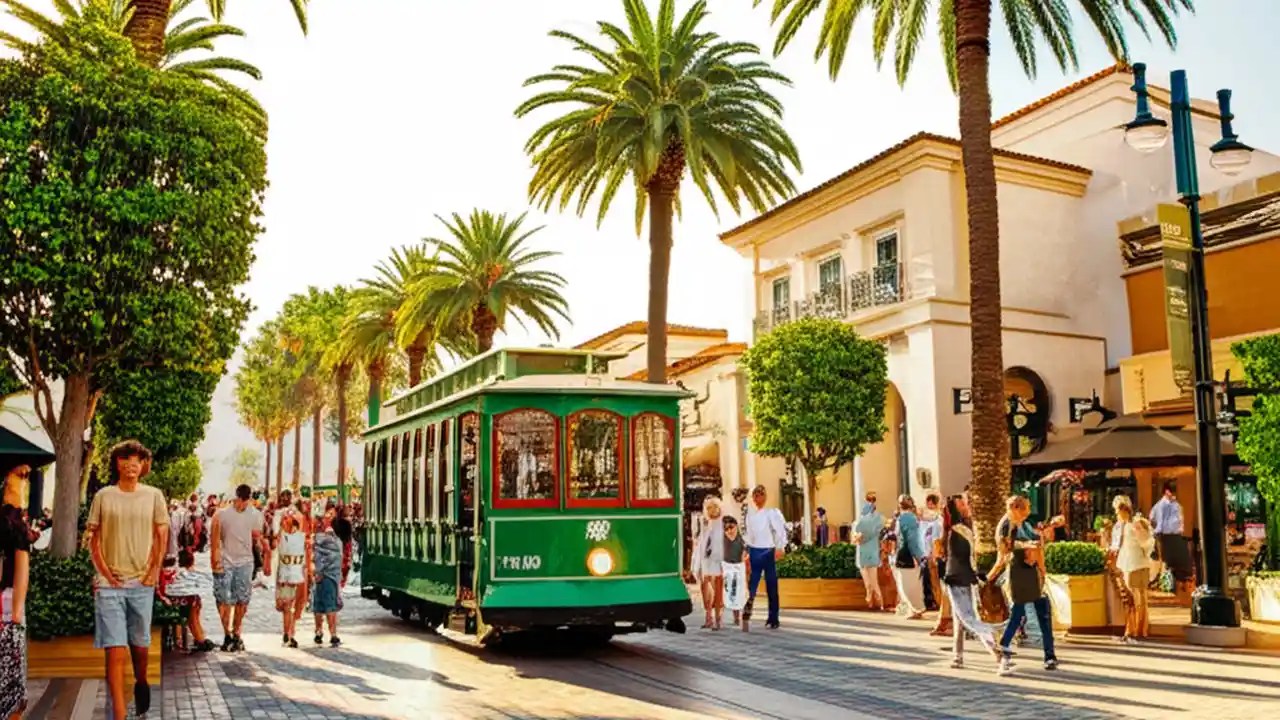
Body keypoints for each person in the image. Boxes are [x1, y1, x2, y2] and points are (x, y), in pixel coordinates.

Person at [87, 441, 168, 720]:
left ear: (143, 465)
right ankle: (119, 715)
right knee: (115, 649)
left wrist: (153, 571)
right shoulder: (104, 496)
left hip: (141, 583)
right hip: (109, 585)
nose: (131, 464)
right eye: (125, 459)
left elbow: (161, 535)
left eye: (137, 460)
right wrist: (105, 573)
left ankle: (141, 680)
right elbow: (93, 538)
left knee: (140, 646)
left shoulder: (154, 496)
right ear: (117, 464)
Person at [990, 495, 1058, 673]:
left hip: (1031, 572)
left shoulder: (1023, 524)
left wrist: (1041, 537)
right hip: (1018, 573)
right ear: (1015, 508)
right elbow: (1005, 549)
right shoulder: (1006, 525)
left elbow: (1037, 539)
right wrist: (1028, 546)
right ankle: (1004, 648)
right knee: (1019, 613)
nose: (1028, 512)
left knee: (1041, 612)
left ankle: (1049, 655)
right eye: (1025, 508)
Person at [941, 495, 1005, 673]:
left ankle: (961, 656)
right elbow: (963, 559)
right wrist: (976, 575)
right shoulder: (959, 531)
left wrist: (976, 575)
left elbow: (965, 559)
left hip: (958, 579)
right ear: (956, 510)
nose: (966, 505)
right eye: (962, 503)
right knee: (966, 619)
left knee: (963, 619)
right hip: (959, 580)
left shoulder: (959, 529)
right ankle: (995, 651)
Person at [210, 484, 268, 652]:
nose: (242, 504)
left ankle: (236, 632)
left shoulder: (255, 515)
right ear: (236, 498)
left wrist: (264, 554)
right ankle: (227, 633)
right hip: (226, 561)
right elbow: (214, 541)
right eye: (240, 501)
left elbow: (256, 536)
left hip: (245, 561)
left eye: (245, 501)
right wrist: (215, 562)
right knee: (223, 599)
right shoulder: (222, 514)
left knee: (242, 599)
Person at [0, 463, 33, 719]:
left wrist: (17, 612)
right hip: (9, 605)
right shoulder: (14, 522)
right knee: (12, 684)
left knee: (12, 684)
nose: (23, 484)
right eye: (19, 478)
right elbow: (22, 568)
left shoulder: (17, 522)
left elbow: (22, 568)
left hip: (9, 605)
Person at [1110, 496, 1155, 643]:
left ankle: (1136, 631)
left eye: (1118, 511)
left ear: (1124, 511)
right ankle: (1135, 630)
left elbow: (1147, 542)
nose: (1116, 514)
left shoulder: (1133, 526)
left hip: (1134, 565)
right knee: (1134, 599)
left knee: (1135, 599)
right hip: (1130, 565)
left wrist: (1145, 554)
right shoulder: (1121, 527)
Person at [742, 485, 787, 631]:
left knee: (771, 585)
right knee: (753, 583)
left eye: (760, 495)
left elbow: (779, 530)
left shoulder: (771, 513)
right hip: (755, 550)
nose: (757, 498)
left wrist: (780, 546)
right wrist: (747, 550)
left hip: (768, 550)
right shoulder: (750, 515)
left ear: (765, 497)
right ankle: (748, 608)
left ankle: (773, 617)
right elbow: (749, 534)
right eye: (755, 496)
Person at [160, 549, 214, 652]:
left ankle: (198, 637)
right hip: (176, 604)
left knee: (194, 603)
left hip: (173, 601)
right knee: (194, 605)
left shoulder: (173, 573)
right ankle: (200, 638)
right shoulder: (183, 574)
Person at [274, 506, 310, 648]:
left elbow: (306, 559)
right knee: (287, 606)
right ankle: (288, 633)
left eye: (287, 520)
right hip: (286, 575)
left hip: (299, 575)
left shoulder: (302, 538)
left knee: (297, 605)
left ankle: (291, 632)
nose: (284, 522)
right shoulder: (281, 536)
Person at [1150, 481, 1192, 596]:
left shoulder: (1176, 505)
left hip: (1175, 537)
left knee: (1179, 565)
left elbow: (1181, 520)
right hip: (1164, 537)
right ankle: (1170, 588)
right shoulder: (1160, 506)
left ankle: (1178, 589)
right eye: (1171, 491)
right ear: (1166, 491)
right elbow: (1152, 519)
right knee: (1168, 564)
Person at [691, 496, 726, 630]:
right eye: (708, 508)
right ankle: (708, 617)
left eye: (713, 507)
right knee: (705, 589)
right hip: (706, 561)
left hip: (717, 561)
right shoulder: (705, 524)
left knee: (718, 591)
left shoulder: (722, 525)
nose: (711, 510)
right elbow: (700, 544)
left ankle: (718, 619)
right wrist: (696, 563)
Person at [311, 511, 344, 646]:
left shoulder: (317, 541)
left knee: (318, 606)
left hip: (319, 577)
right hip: (331, 578)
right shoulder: (336, 542)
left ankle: (318, 632)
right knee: (331, 607)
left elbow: (316, 558)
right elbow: (337, 558)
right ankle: (333, 634)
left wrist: (317, 572)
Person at [892, 495, 927, 620]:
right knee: (911, 582)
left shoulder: (905, 519)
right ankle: (915, 608)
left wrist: (916, 556)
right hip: (906, 553)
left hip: (906, 553)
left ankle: (916, 608)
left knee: (906, 584)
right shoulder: (909, 518)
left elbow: (911, 539)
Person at [853, 495, 885, 610]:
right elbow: (854, 539)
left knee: (873, 581)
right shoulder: (857, 523)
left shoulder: (876, 523)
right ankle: (871, 600)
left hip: (871, 553)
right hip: (863, 554)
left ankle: (879, 602)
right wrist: (858, 537)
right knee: (868, 582)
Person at [721, 516, 748, 628]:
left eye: (731, 527)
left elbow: (747, 550)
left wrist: (744, 555)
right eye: (726, 529)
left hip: (738, 567)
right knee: (727, 592)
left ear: (736, 526)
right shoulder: (722, 539)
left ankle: (737, 617)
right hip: (726, 567)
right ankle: (723, 616)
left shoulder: (741, 540)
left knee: (737, 592)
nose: (729, 531)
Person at [919, 493, 943, 612]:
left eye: (932, 504)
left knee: (934, 580)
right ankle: (930, 601)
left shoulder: (938, 520)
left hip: (933, 554)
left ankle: (937, 602)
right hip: (925, 553)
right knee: (927, 579)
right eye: (928, 504)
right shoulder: (924, 520)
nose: (930, 507)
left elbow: (936, 539)